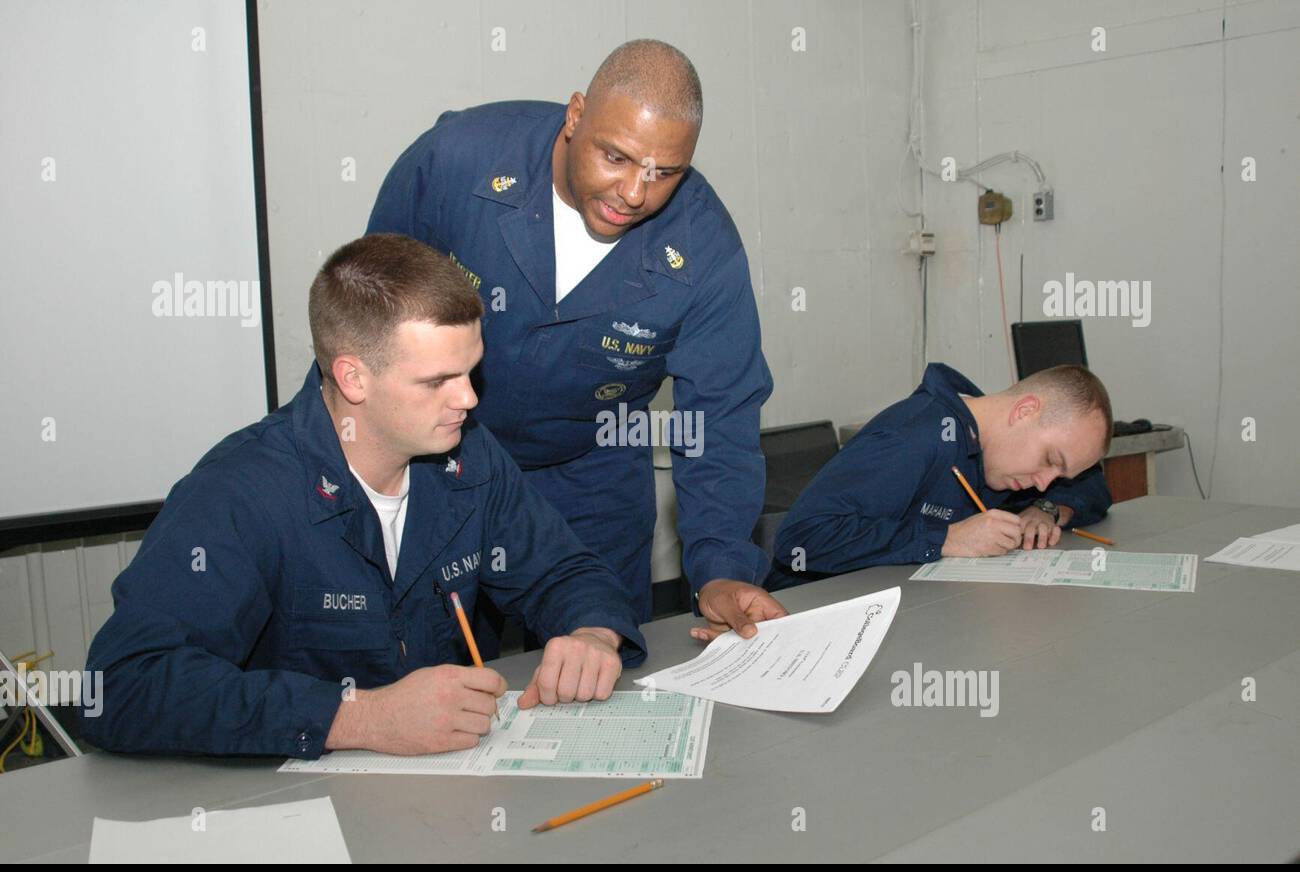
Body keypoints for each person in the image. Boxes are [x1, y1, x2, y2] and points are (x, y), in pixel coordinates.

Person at [81, 234, 647, 758]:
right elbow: (120, 685)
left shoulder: (469, 457)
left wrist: (592, 633)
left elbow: (564, 572)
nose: (469, 399)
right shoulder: (240, 491)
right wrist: (359, 718)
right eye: (437, 381)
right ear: (353, 378)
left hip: (453, 788)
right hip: (293, 805)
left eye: (472, 371)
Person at [367, 39, 785, 641]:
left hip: (593, 473)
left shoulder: (704, 246)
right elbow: (366, 315)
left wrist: (720, 569)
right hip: (442, 459)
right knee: (431, 663)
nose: (634, 192)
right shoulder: (457, 162)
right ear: (575, 115)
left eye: (664, 173)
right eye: (615, 157)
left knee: (604, 659)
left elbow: (720, 415)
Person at [766, 363, 1114, 591]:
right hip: (812, 615)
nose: (1044, 481)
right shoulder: (913, 438)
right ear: (1024, 412)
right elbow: (801, 539)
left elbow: (1093, 487)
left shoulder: (1003, 454)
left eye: (1061, 474)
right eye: (1050, 460)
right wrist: (947, 539)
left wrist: (1046, 508)